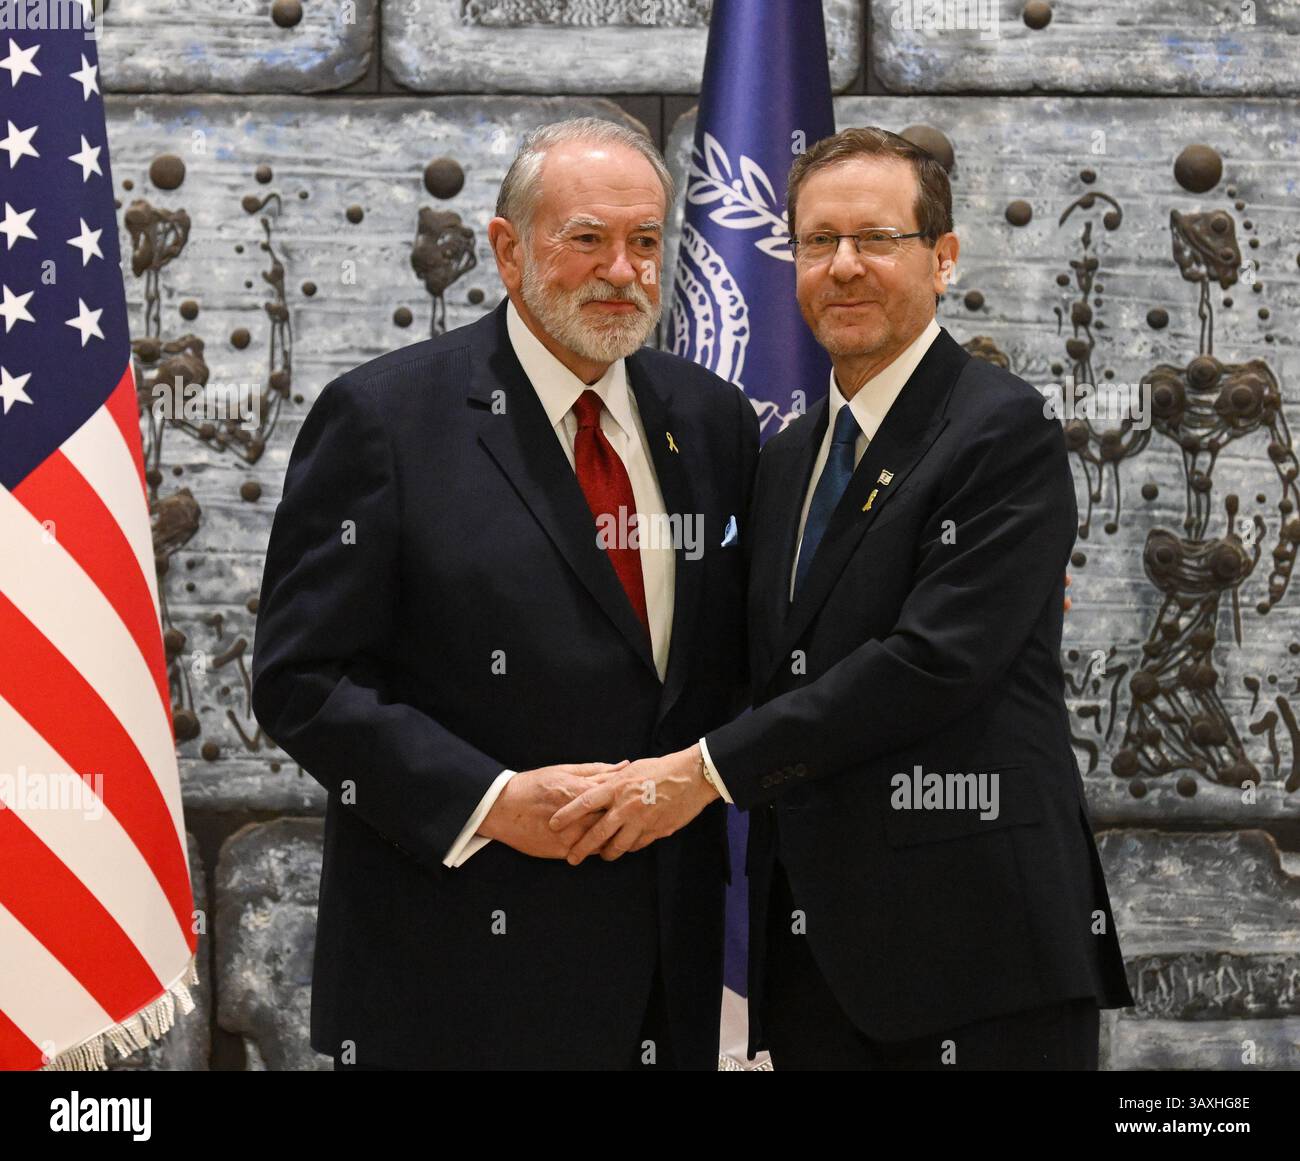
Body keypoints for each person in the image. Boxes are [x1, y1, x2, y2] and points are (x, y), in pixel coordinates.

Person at [554, 126, 1135, 1070]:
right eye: (818, 242)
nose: (845, 267)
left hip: (978, 960)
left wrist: (695, 773)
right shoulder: (785, 457)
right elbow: (758, 668)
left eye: (878, 239)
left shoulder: (1003, 431)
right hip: (811, 963)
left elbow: (929, 665)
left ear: (942, 258)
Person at [250, 117, 758, 1069]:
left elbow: (723, 662)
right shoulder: (384, 420)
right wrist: (489, 799)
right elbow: (299, 679)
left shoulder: (711, 418)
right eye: (588, 239)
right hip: (455, 982)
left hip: (669, 978)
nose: (623, 270)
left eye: (646, 242)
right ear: (506, 249)